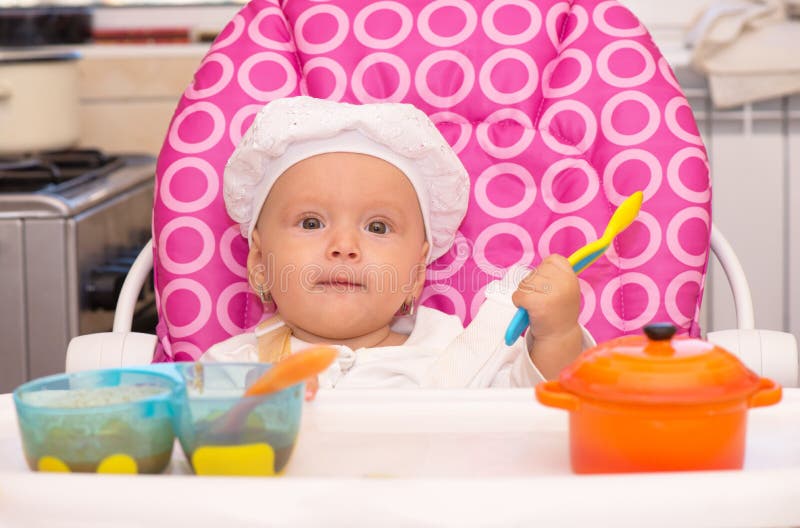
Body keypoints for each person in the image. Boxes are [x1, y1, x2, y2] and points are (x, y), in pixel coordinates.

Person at [204, 96, 594, 389]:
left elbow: (542, 410)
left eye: (377, 227)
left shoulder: (458, 353)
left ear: (416, 273)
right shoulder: (231, 370)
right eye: (310, 222)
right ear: (258, 262)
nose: (344, 246)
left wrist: (556, 334)